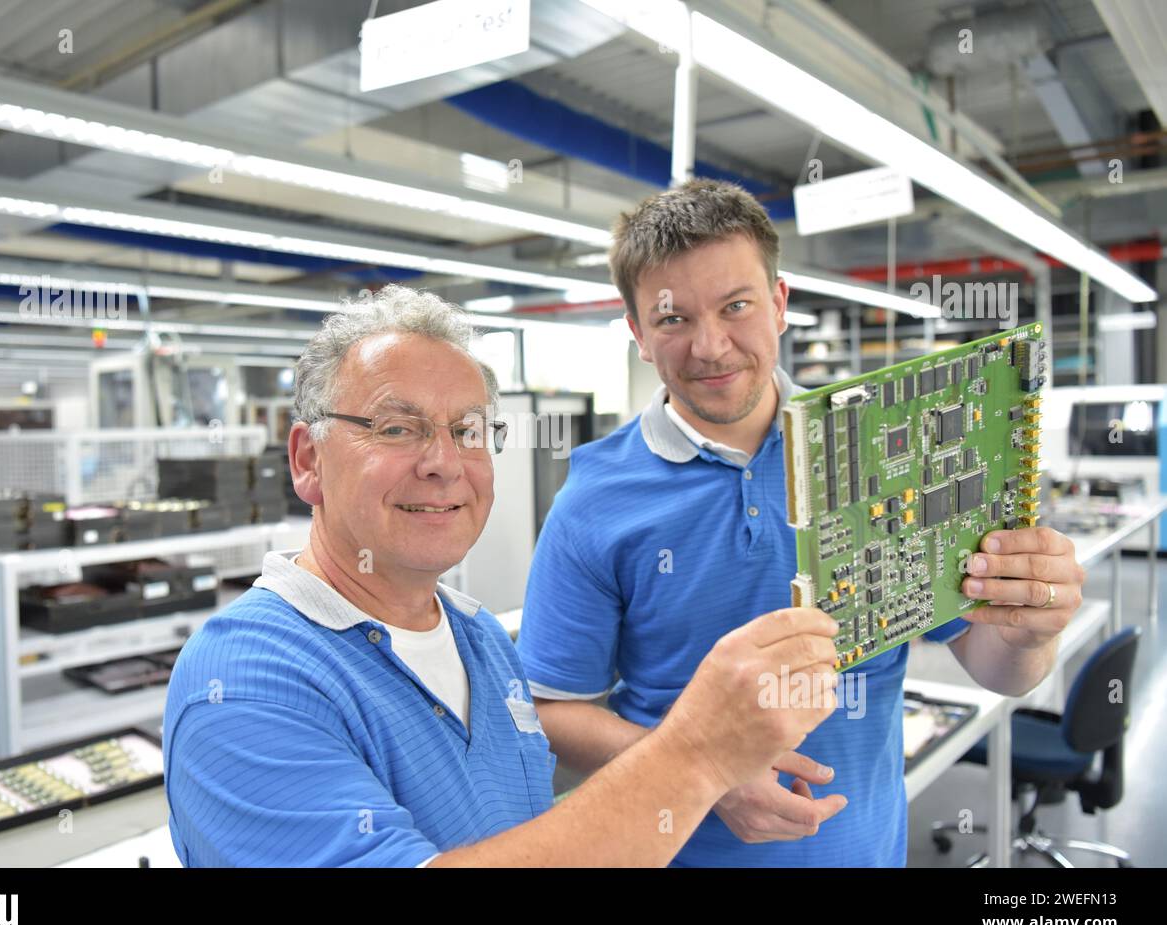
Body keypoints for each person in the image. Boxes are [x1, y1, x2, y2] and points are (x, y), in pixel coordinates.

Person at [163, 284, 839, 866]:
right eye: (398, 428)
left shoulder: (481, 639)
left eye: (468, 430)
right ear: (308, 460)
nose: (443, 462)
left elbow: (535, 830)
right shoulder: (246, 680)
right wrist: (696, 753)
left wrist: (714, 775)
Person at [517, 179, 1087, 867]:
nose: (711, 347)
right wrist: (703, 772)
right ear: (638, 333)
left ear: (780, 305)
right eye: (673, 320)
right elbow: (551, 710)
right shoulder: (593, 499)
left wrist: (1031, 631)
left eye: (736, 306)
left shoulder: (884, 447)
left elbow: (998, 667)